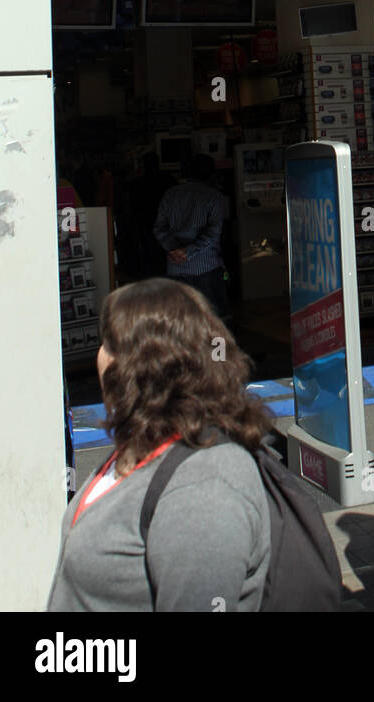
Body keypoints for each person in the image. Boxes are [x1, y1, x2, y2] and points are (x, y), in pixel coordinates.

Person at [47, 278, 271, 612]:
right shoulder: (143, 445)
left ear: (144, 366)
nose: (100, 355)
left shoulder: (206, 486)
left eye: (109, 343)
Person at [153, 153, 227, 315]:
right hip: (206, 267)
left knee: (181, 318)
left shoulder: (170, 194)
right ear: (211, 174)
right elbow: (213, 232)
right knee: (211, 318)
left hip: (175, 267)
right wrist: (188, 251)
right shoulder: (214, 197)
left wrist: (174, 250)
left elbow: (159, 228)